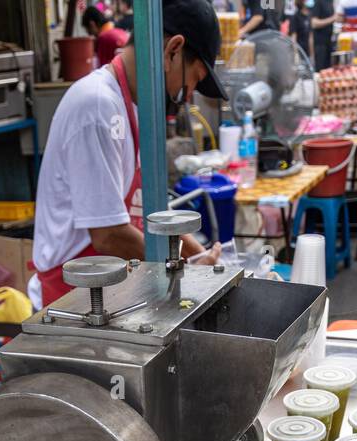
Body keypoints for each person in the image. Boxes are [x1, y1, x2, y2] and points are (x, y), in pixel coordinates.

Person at [32, 0, 227, 308]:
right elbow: (109, 234)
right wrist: (185, 274)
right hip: (74, 300)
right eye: (194, 80)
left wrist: (200, 257)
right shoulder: (97, 106)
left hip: (112, 289)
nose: (188, 94)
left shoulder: (131, 108)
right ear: (173, 51)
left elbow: (146, 212)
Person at [310, 0, 336, 72]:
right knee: (321, 72)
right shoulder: (319, 2)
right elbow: (314, 23)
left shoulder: (330, 2)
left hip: (329, 43)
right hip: (320, 44)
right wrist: (333, 19)